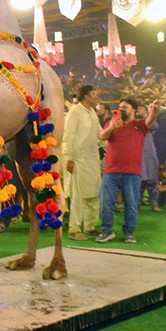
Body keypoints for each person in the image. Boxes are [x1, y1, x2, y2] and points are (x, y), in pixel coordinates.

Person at [97, 98, 159, 243]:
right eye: (120, 107)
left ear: (134, 110)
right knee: (106, 202)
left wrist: (155, 110)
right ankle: (107, 231)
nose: (121, 109)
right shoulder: (112, 123)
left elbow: (150, 120)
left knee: (131, 203)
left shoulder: (140, 125)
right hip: (111, 171)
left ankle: (130, 232)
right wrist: (112, 126)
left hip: (132, 172)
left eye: (125, 107)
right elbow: (102, 136)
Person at [62, 85, 102, 240]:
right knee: (78, 195)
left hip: (92, 158)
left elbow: (100, 135)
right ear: (86, 96)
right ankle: (74, 229)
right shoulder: (75, 112)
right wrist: (69, 158)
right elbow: (68, 136)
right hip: (78, 159)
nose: (96, 97)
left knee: (93, 193)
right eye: (93, 94)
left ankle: (91, 226)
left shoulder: (92, 113)